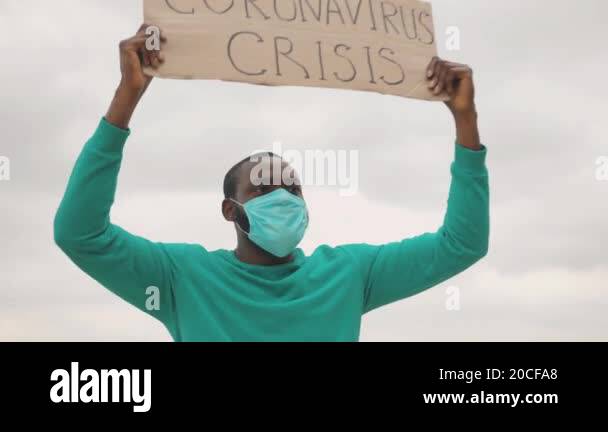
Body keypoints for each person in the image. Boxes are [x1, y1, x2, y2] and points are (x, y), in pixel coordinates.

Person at [54, 25, 489, 342]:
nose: (282, 197)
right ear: (230, 210)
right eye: (263, 188)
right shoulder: (180, 279)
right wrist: (126, 96)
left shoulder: (348, 275)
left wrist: (464, 118)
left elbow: (462, 245)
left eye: (293, 189)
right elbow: (79, 234)